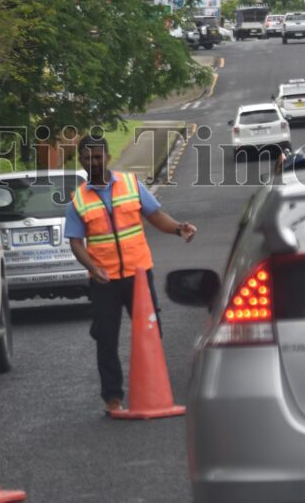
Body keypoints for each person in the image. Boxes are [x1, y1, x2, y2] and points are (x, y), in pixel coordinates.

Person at [64, 135, 197, 413]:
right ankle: (113, 398)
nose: (94, 162)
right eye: (88, 158)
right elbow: (76, 241)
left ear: (107, 156)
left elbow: (155, 215)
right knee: (106, 338)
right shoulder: (78, 200)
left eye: (98, 157)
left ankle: (154, 386)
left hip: (138, 274)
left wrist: (177, 228)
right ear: (81, 161)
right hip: (104, 280)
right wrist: (92, 268)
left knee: (150, 330)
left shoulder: (130, 184)